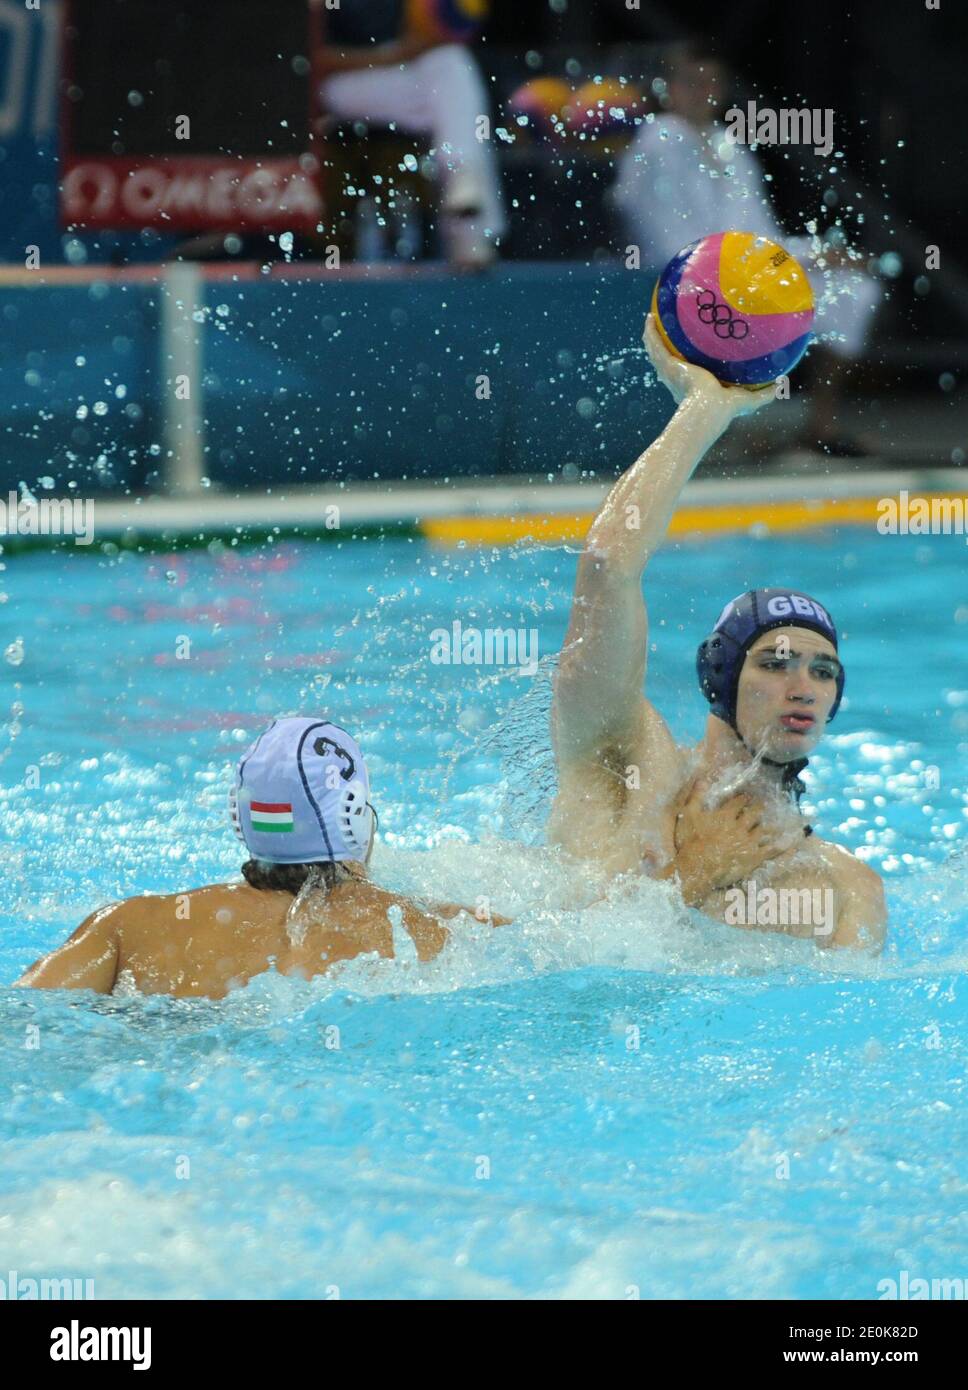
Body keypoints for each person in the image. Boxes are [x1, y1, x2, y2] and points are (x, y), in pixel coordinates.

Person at [547, 314, 887, 951]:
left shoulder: (846, 888)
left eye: (823, 672)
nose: (803, 687)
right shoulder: (628, 764)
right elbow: (604, 568)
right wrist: (708, 407)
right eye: (776, 662)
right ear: (721, 677)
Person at [15, 718, 506, 999]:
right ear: (355, 818)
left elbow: (23, 1016)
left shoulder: (127, 927)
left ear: (241, 817)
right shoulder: (441, 931)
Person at [611, 48, 882, 457]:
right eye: (693, 82)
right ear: (669, 89)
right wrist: (726, 268)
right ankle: (732, 427)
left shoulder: (730, 147)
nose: (704, 92)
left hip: (738, 267)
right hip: (683, 275)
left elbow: (760, 234)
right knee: (738, 306)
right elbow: (655, 229)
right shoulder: (658, 139)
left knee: (851, 288)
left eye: (712, 83)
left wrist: (818, 253)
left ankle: (819, 424)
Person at [310, 0, 506, 270]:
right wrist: (397, 55)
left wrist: (426, 40)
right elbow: (310, 59)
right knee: (449, 97)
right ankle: (467, 216)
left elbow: (435, 34)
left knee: (454, 64)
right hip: (336, 88)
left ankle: (465, 206)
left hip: (394, 76)